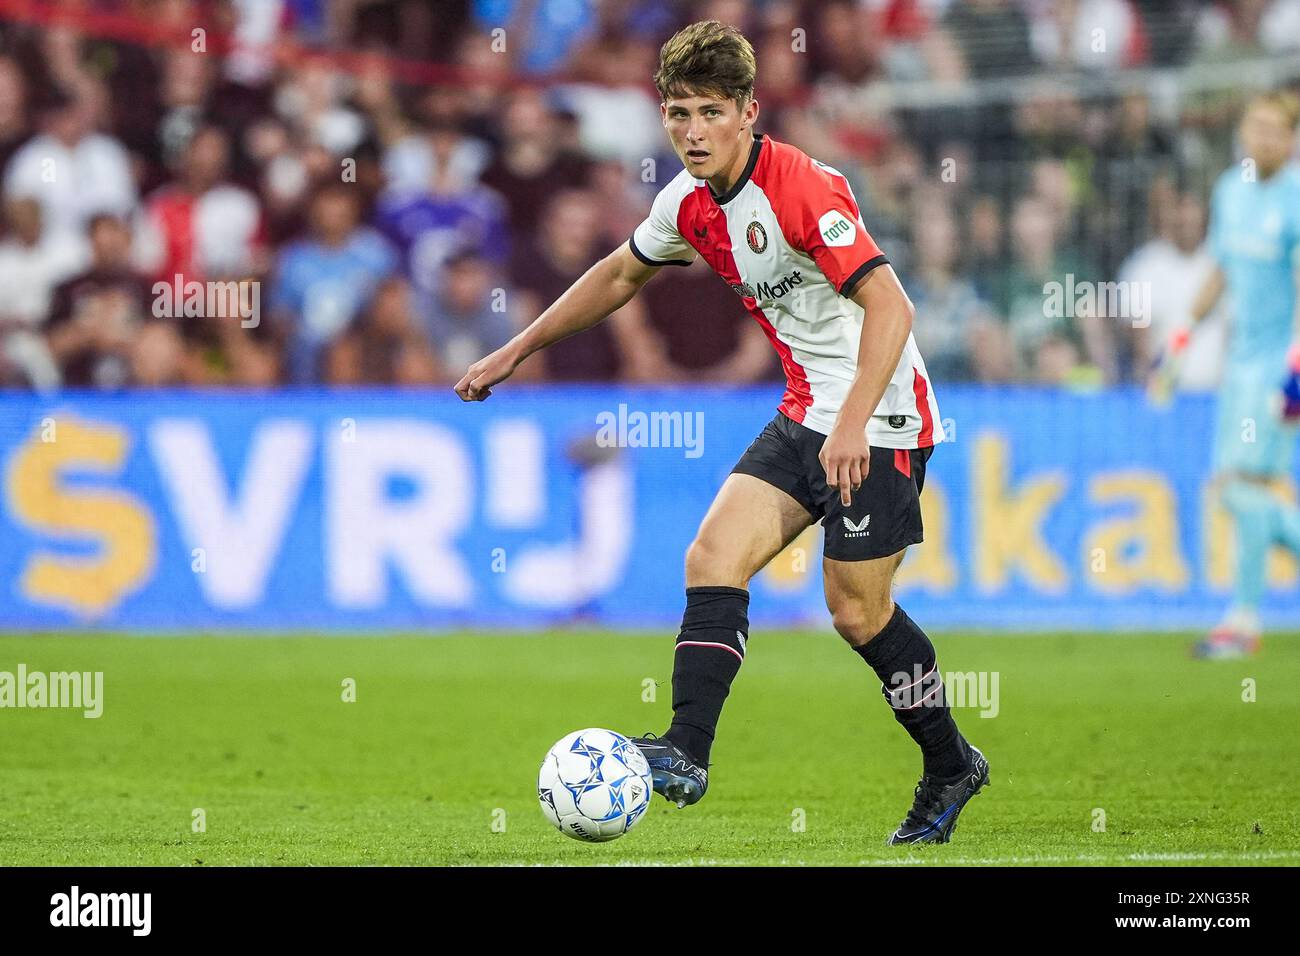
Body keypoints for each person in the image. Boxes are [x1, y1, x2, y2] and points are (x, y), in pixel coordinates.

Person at [455, 20, 988, 844]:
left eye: (709, 112)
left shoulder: (803, 188)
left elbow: (892, 306)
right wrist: (517, 348)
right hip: (808, 408)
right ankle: (686, 751)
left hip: (881, 415)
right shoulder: (688, 202)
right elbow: (620, 273)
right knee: (712, 558)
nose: (692, 133)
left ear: (748, 111)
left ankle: (952, 762)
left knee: (856, 613)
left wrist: (852, 427)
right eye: (677, 114)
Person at [1170, 92, 1300, 659]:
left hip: (1281, 363)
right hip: (1239, 362)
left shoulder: (1295, 198)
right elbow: (1221, 270)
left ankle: (1243, 623)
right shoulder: (1230, 190)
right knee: (1239, 492)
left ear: (1292, 139)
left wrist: (1295, 373)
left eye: (1278, 130)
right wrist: (1180, 337)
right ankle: (1243, 620)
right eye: (1258, 127)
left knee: (1243, 489)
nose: (1266, 139)